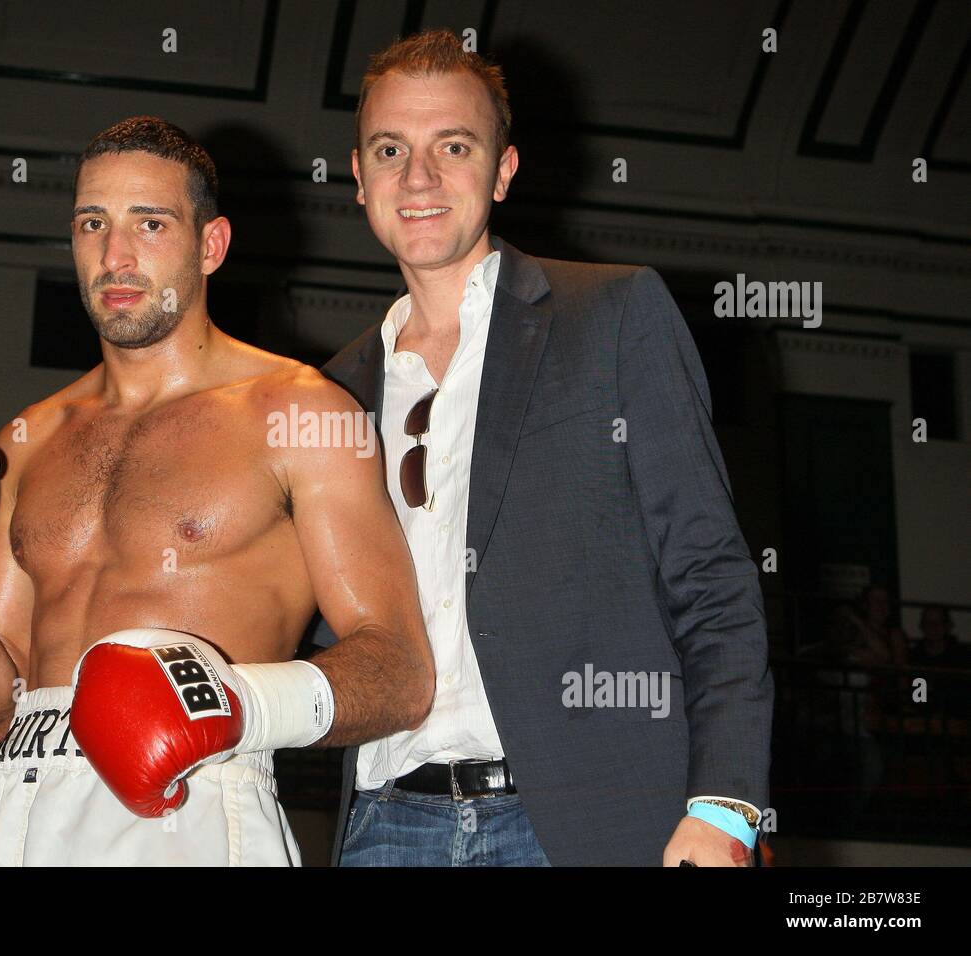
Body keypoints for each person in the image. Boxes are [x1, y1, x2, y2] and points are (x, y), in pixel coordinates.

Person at [0, 117, 434, 866]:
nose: (114, 255)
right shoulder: (28, 438)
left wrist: (232, 705)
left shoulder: (299, 413)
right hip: (17, 801)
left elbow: (400, 672)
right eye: (93, 223)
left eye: (149, 224)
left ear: (211, 245)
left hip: (192, 798)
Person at [314, 30, 773, 866]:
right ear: (358, 178)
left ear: (503, 170)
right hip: (384, 828)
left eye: (453, 146)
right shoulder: (330, 393)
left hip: (582, 824)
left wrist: (730, 807)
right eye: (390, 149)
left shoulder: (614, 314)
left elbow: (711, 575)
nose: (418, 178)